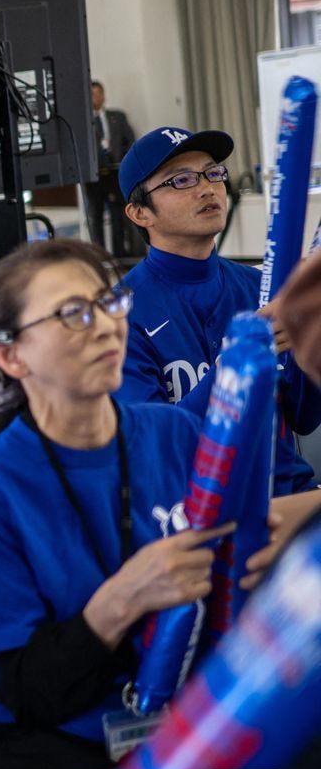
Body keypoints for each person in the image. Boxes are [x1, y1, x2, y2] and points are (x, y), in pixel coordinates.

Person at [0, 239, 235, 769]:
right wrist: (123, 597)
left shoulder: (177, 435)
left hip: (186, 722)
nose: (104, 326)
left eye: (109, 302)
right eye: (73, 314)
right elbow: (24, 692)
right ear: (11, 357)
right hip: (54, 747)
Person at [117, 125, 321, 496]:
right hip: (193, 517)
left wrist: (312, 337)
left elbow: (305, 417)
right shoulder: (120, 316)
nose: (207, 188)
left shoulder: (258, 287)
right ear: (139, 213)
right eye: (181, 180)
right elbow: (156, 447)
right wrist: (234, 365)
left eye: (213, 173)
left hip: (287, 496)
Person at [82, 81, 135, 257]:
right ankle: (100, 256)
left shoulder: (117, 117)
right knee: (95, 215)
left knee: (118, 214)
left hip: (115, 174)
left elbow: (129, 141)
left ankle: (120, 255)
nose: (94, 97)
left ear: (104, 96)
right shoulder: (83, 121)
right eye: (91, 94)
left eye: (97, 93)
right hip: (94, 176)